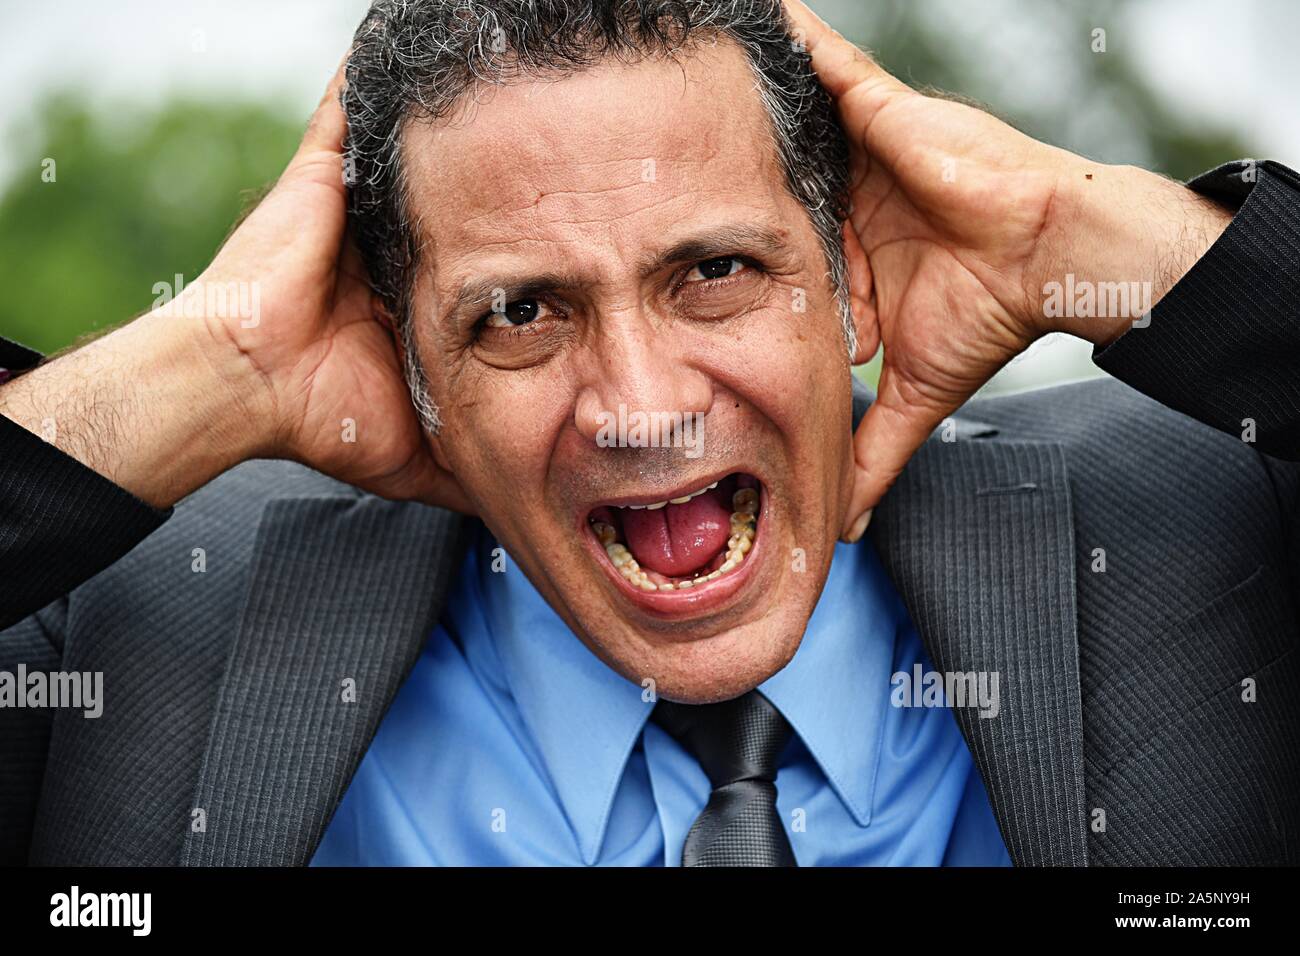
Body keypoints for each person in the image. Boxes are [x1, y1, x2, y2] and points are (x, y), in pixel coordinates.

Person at [1, 0, 1296, 867]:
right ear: (414, 367)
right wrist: (209, 365)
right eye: (518, 312)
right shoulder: (129, 633)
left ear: (849, 272)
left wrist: (1095, 239)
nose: (641, 406)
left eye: (717, 270)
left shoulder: (1213, 519)